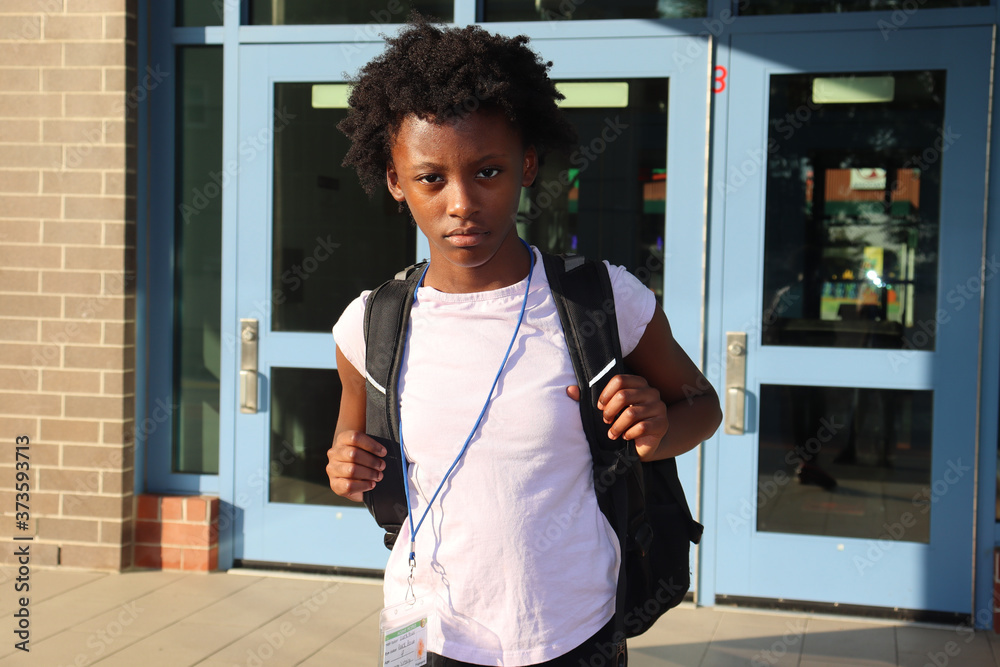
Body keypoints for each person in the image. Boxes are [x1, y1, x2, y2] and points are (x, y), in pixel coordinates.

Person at [326, 17, 722, 667]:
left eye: (487, 170)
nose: (462, 202)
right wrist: (345, 468)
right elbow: (355, 458)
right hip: (422, 628)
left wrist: (657, 427)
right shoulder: (369, 325)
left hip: (572, 628)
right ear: (396, 181)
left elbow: (702, 405)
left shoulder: (601, 298)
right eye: (431, 178)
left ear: (526, 166)